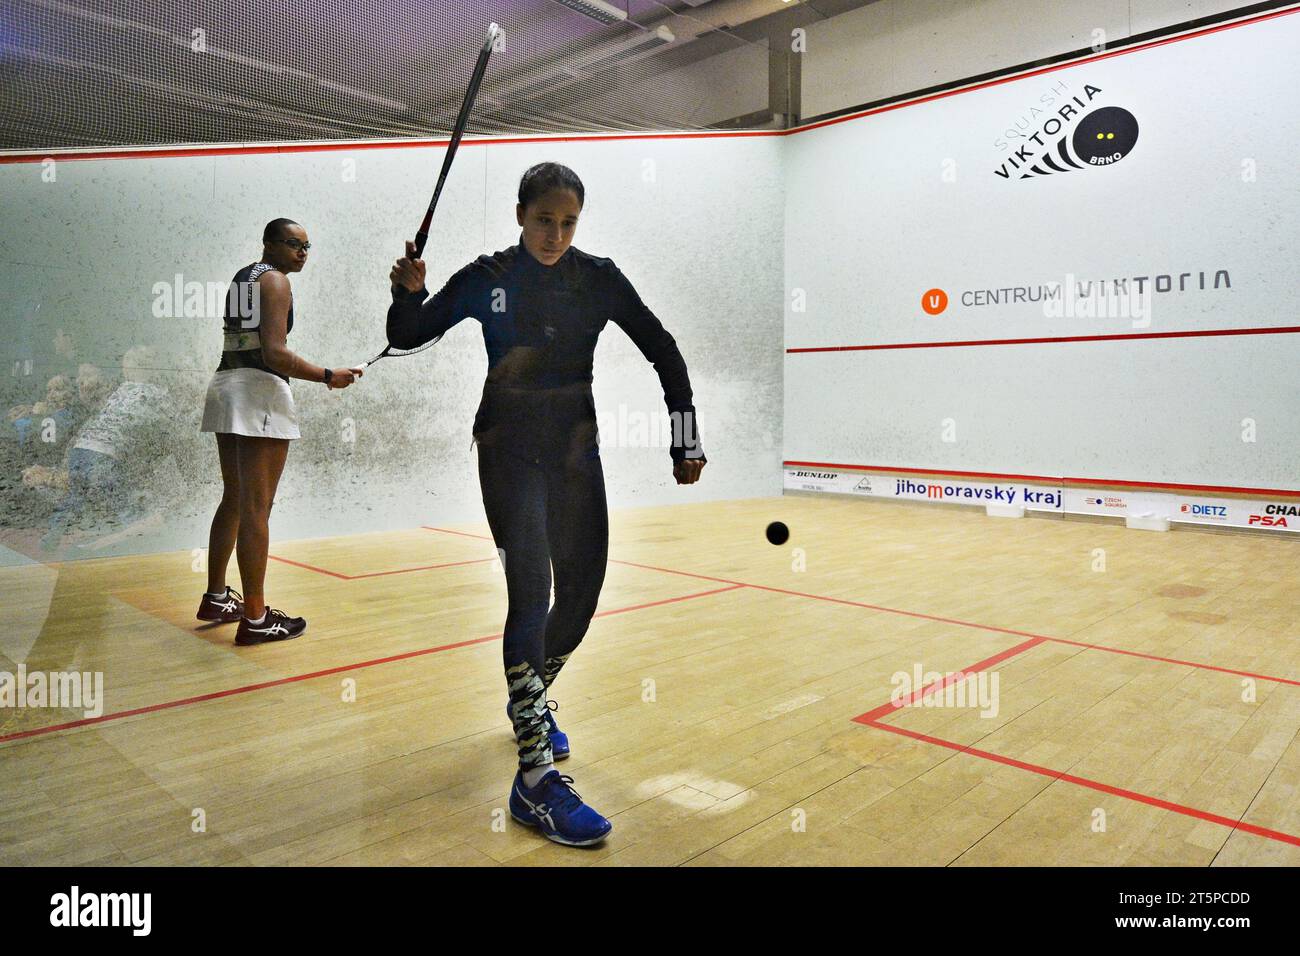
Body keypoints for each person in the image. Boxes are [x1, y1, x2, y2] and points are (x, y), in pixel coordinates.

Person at [388, 162, 707, 847]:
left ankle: (528, 698)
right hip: (507, 445)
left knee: (582, 599)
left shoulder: (598, 278)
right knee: (531, 594)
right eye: (544, 220)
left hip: (574, 447)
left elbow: (664, 351)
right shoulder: (488, 276)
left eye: (568, 222)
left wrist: (685, 438)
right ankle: (534, 780)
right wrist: (405, 293)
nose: (555, 235)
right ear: (519, 214)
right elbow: (409, 333)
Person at [198, 218, 364, 645]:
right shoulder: (276, 283)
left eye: (308, 246)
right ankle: (255, 618)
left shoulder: (243, 278)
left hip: (226, 387)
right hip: (258, 396)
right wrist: (329, 375)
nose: (302, 252)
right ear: (269, 243)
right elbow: (275, 354)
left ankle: (217, 597)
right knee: (257, 508)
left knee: (235, 498)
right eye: (293, 244)